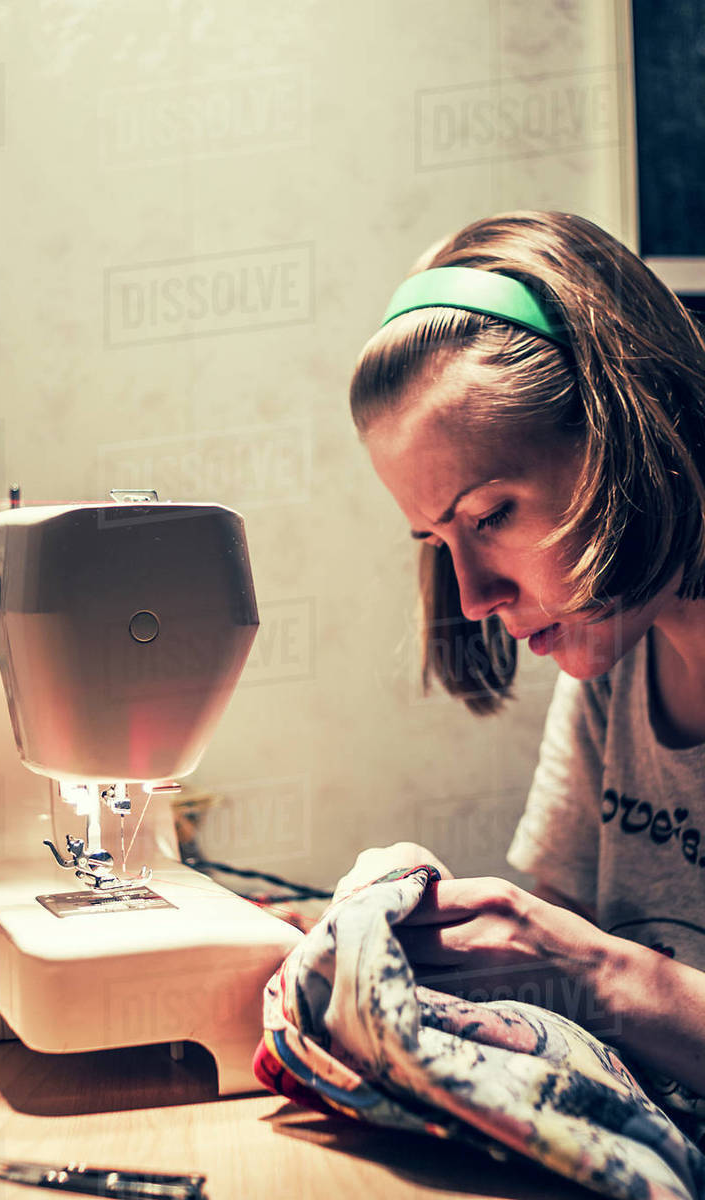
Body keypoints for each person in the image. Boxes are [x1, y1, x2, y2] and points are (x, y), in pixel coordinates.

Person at [342, 211, 705, 1125]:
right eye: (436, 538)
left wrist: (597, 969)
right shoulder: (615, 666)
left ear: (633, 433)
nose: (468, 596)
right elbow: (558, 982)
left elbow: (583, 967)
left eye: (491, 513)